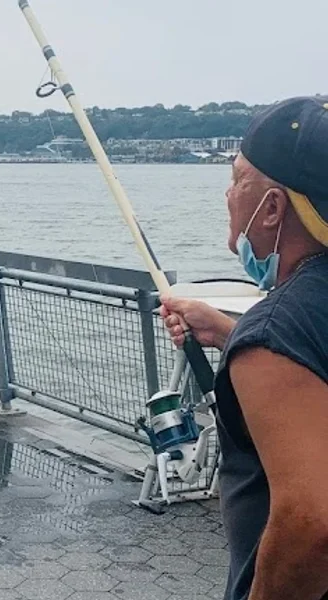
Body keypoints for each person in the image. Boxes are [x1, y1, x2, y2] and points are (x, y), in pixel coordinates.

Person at [160, 96, 328, 600]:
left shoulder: (278, 329)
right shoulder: (282, 332)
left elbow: (314, 522)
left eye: (238, 180)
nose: (229, 196)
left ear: (273, 206)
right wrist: (231, 333)